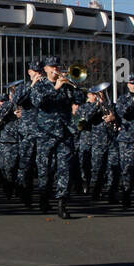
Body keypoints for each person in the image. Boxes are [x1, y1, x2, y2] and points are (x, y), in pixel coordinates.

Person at [20, 56, 79, 218]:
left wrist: (74, 84)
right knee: (45, 169)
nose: (56, 69)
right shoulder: (39, 85)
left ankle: (62, 203)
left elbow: (80, 99)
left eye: (57, 66)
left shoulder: (66, 85)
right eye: (52, 66)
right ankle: (44, 198)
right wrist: (56, 88)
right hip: (45, 134)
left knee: (65, 169)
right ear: (45, 69)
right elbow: (38, 102)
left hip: (64, 133)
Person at [113, 74, 134, 209]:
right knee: (127, 169)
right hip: (127, 140)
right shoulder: (122, 99)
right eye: (132, 83)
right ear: (128, 85)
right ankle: (126, 195)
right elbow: (123, 112)